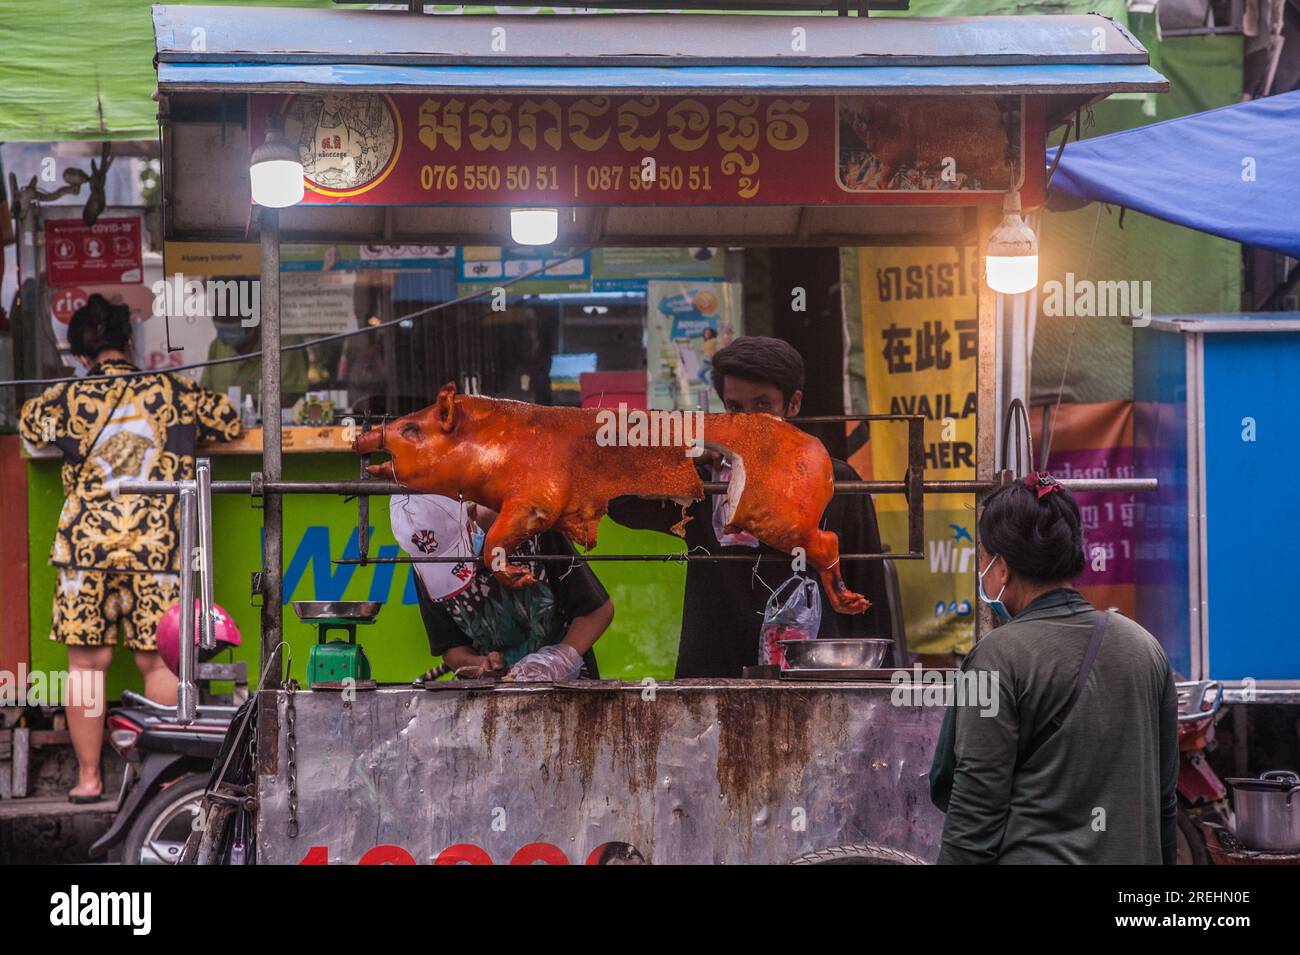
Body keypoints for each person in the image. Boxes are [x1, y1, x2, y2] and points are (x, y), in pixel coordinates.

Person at [19, 294, 241, 802]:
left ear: (81, 354)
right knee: (160, 663)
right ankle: (165, 782)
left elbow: (29, 425)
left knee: (85, 665)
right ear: (128, 342)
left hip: (86, 547)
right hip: (156, 545)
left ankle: (88, 779)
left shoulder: (66, 399)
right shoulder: (172, 390)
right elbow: (228, 421)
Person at [607, 335, 892, 678]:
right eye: (735, 408)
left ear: (794, 404)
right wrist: (684, 456)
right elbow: (615, 500)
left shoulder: (838, 481)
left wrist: (878, 687)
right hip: (713, 671)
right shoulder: (701, 483)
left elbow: (868, 590)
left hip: (810, 675)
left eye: (763, 405)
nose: (748, 422)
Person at [929, 473, 1178, 864]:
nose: (982, 572)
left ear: (1002, 566)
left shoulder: (997, 657)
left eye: (981, 559)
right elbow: (1164, 803)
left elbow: (975, 810)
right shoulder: (1145, 648)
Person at [391, 494, 613, 681]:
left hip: (566, 686)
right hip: (490, 699)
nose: (456, 568)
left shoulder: (531, 529)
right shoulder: (429, 567)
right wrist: (479, 665)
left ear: (470, 515)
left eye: (457, 550)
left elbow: (598, 611)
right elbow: (451, 647)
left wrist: (557, 661)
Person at [201, 313, 309, 414]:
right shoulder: (218, 345)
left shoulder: (282, 343)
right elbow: (203, 394)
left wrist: (250, 406)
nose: (224, 317)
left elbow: (289, 398)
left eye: (232, 318)